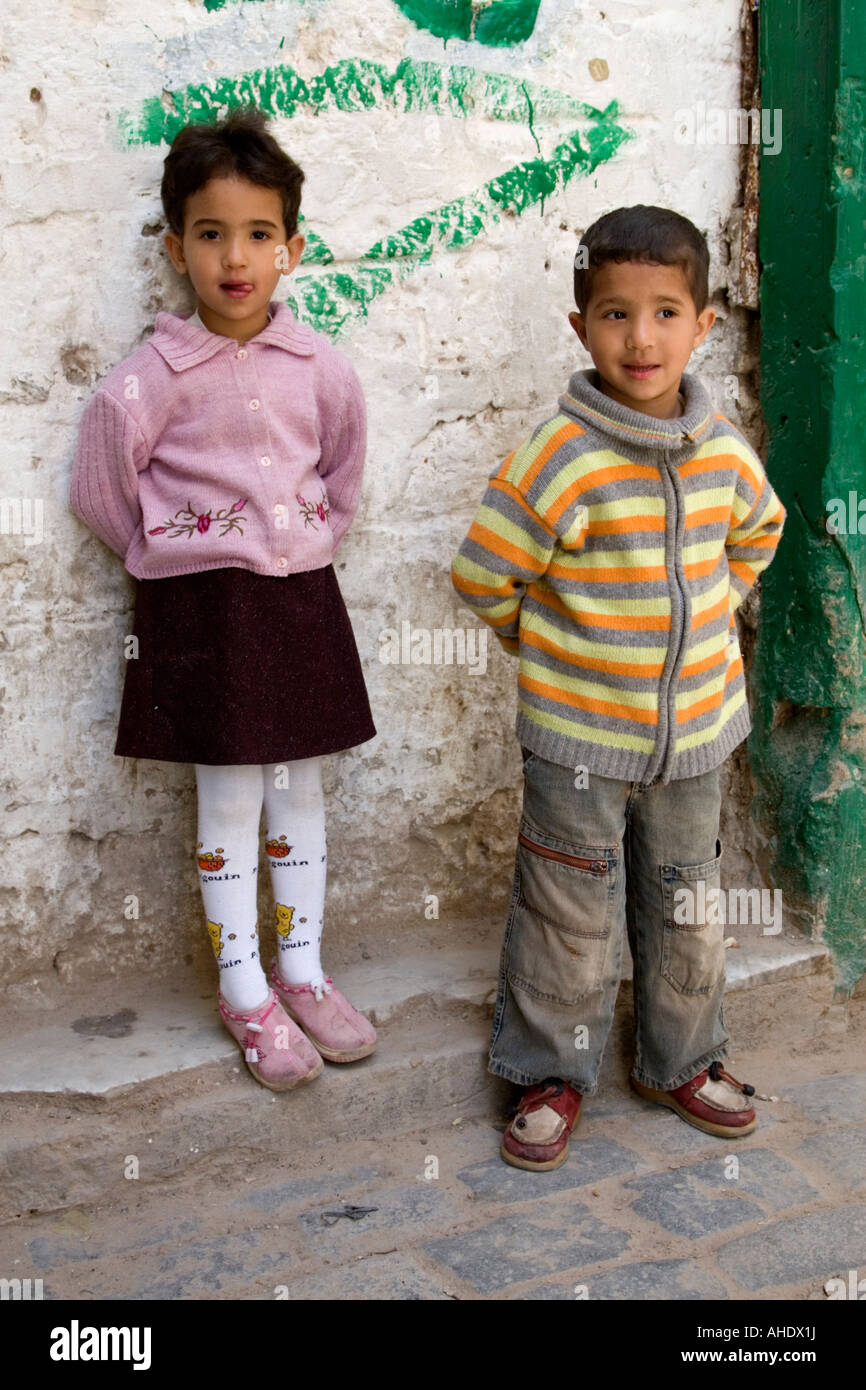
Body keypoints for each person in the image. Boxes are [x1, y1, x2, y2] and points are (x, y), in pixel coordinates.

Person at [451, 205, 786, 1170]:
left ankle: (682, 1060)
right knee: (568, 906)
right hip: (575, 739)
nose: (642, 338)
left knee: (688, 897)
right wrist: (548, 646)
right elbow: (484, 573)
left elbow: (758, 533)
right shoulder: (559, 457)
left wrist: (714, 608)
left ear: (704, 322)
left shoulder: (720, 448)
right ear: (581, 326)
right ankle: (548, 1073)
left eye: (666, 312)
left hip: (698, 737)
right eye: (615, 314)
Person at [69, 105, 377, 1093]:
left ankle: (302, 968)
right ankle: (241, 986)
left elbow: (344, 469)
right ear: (175, 248)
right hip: (204, 614)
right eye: (209, 234)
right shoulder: (149, 380)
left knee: (300, 790)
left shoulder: (320, 370)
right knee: (230, 793)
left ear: (292, 246)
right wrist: (172, 556)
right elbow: (101, 488)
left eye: (256, 234)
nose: (233, 257)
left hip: (295, 602)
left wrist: (305, 538)